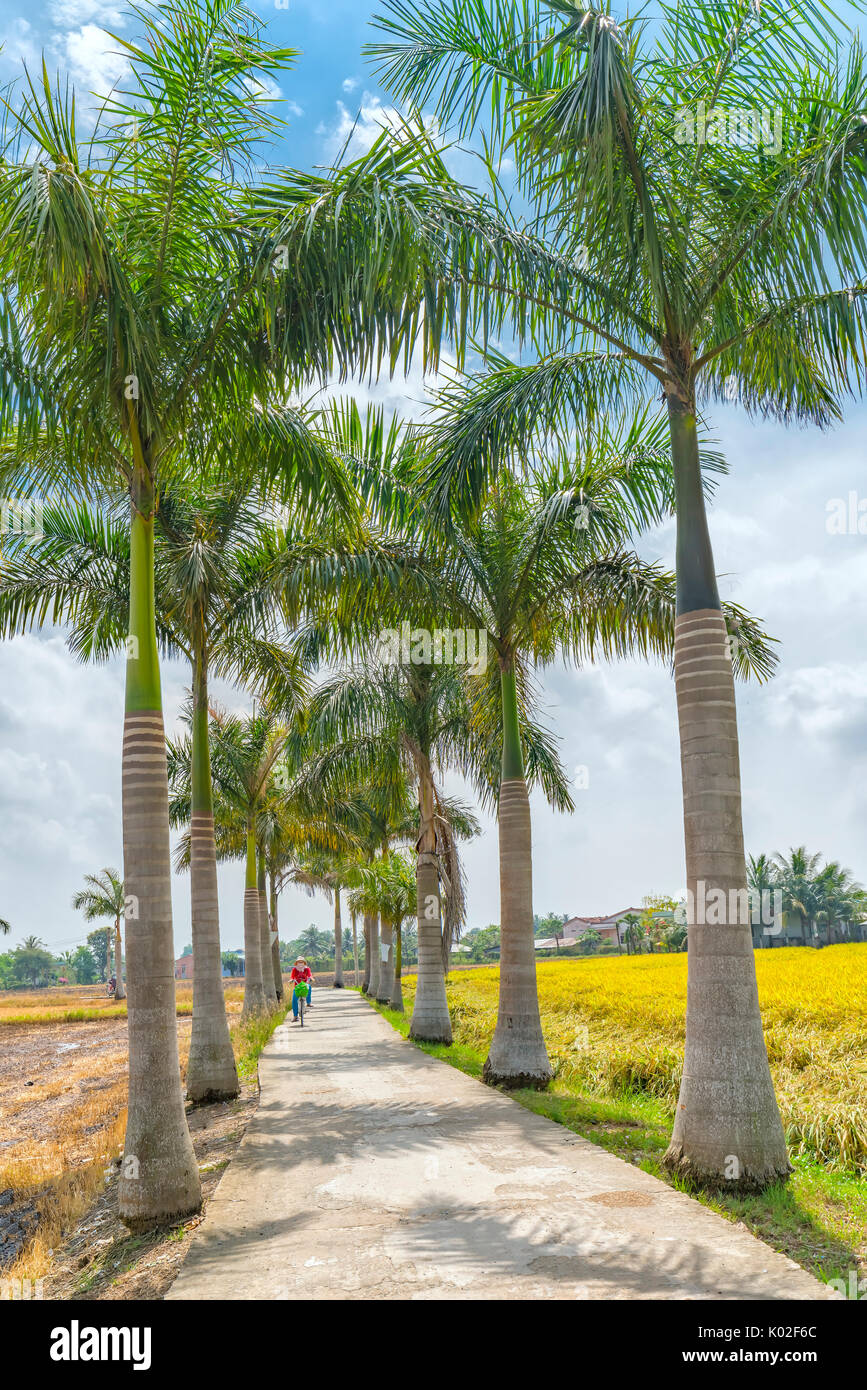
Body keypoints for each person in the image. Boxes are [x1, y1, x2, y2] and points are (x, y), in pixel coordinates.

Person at [290, 957, 314, 1021]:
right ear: (296, 963)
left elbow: (309, 975)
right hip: (297, 986)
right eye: (299, 962)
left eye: (302, 962)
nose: (300, 963)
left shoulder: (307, 969)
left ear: (304, 963)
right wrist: (291, 980)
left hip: (304, 985)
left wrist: (310, 978)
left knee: (309, 987)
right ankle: (295, 1016)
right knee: (294, 1000)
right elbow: (292, 976)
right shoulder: (294, 969)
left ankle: (308, 1003)